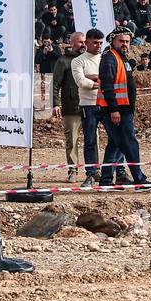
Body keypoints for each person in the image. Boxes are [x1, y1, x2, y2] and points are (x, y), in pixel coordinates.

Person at [97, 30, 151, 189]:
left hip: (123, 109)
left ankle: (106, 179)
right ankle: (139, 179)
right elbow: (107, 86)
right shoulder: (110, 58)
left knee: (115, 144)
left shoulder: (121, 58)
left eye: (127, 41)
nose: (125, 44)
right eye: (121, 41)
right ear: (113, 41)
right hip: (117, 110)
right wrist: (114, 110)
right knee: (129, 145)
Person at [71, 28, 108, 187]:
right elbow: (81, 82)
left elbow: (112, 78)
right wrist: (101, 83)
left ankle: (116, 171)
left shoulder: (106, 58)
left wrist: (92, 78)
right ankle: (91, 173)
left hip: (106, 104)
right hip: (88, 105)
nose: (98, 46)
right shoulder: (78, 61)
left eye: (100, 43)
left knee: (116, 138)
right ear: (87, 43)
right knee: (90, 141)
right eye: (95, 43)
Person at [51, 31, 85, 181]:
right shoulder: (63, 61)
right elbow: (55, 84)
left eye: (84, 42)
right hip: (72, 107)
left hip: (89, 106)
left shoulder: (89, 59)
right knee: (72, 140)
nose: (83, 45)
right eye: (80, 42)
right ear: (72, 43)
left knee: (93, 141)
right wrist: (56, 104)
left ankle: (94, 170)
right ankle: (73, 171)